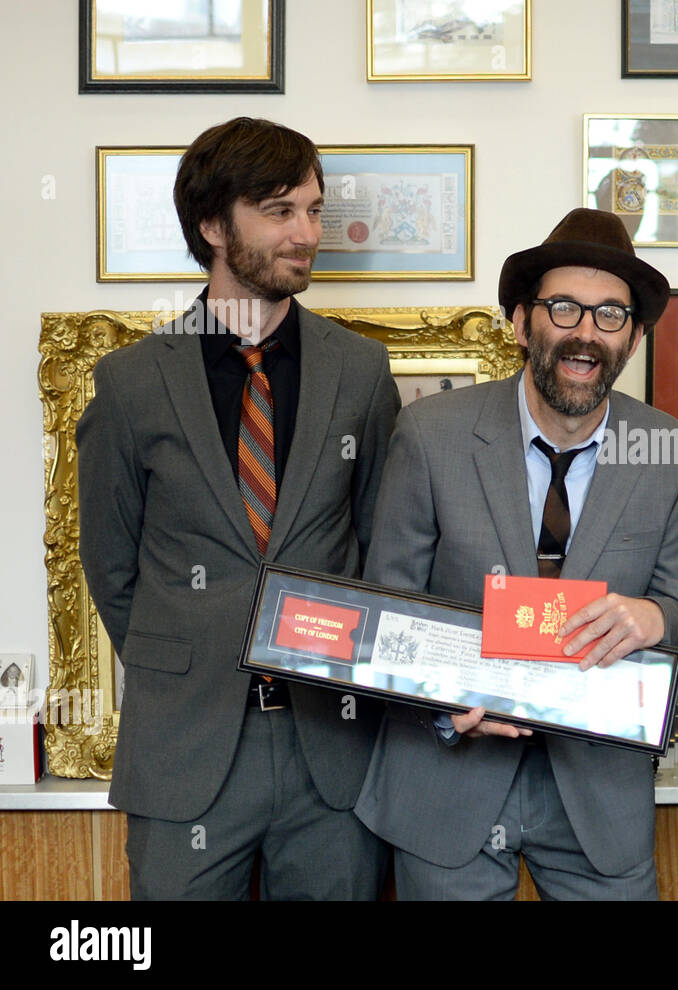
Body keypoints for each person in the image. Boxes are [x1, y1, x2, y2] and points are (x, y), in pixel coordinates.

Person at [78, 117, 400, 899]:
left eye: (315, 210)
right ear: (215, 226)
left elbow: (382, 544)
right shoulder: (130, 384)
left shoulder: (359, 372)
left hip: (332, 748)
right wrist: (194, 653)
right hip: (185, 747)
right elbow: (112, 566)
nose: (307, 233)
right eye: (280, 210)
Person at [354, 208, 678, 900]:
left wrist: (656, 621)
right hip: (446, 779)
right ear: (522, 322)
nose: (587, 332)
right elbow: (386, 612)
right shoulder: (429, 436)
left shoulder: (677, 456)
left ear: (634, 337)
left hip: (599, 798)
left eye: (611, 314)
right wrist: (444, 704)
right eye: (564, 308)